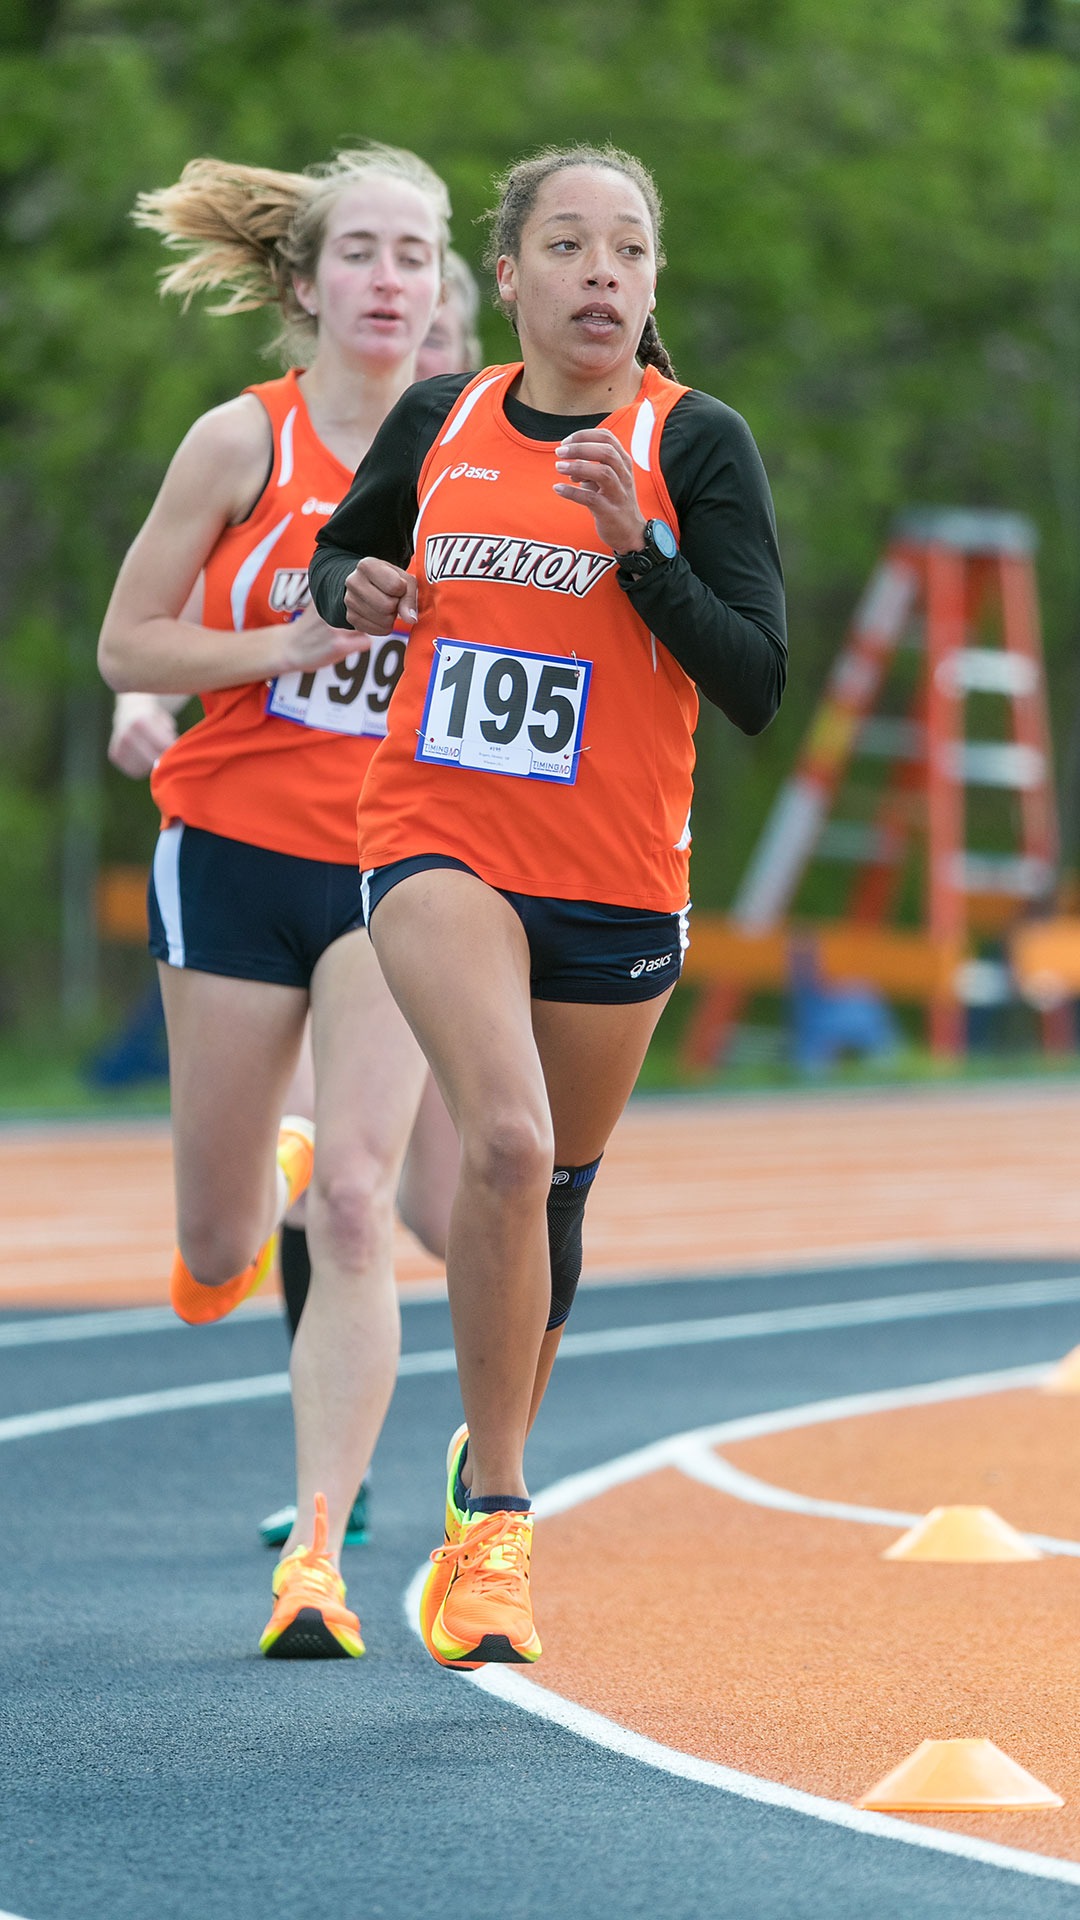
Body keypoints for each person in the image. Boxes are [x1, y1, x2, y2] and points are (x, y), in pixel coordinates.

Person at [310, 143, 787, 1669]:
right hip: (437, 833)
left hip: (618, 880)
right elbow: (344, 552)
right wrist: (352, 592)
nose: (601, 272)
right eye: (568, 245)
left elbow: (756, 681)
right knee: (504, 1144)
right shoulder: (443, 417)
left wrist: (635, 551)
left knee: (555, 1193)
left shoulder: (694, 441)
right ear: (506, 279)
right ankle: (503, 1529)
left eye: (629, 250)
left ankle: (479, 1463)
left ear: (653, 286)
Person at [98, 143, 457, 1660]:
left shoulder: (481, 453)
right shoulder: (238, 444)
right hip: (234, 847)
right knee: (211, 1251)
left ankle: (318, 1555)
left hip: (399, 858)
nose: (389, 280)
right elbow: (130, 645)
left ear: (447, 285)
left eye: (416, 255)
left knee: (364, 1203)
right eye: (360, 253)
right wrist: (287, 646)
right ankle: (247, 1194)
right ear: (306, 285)